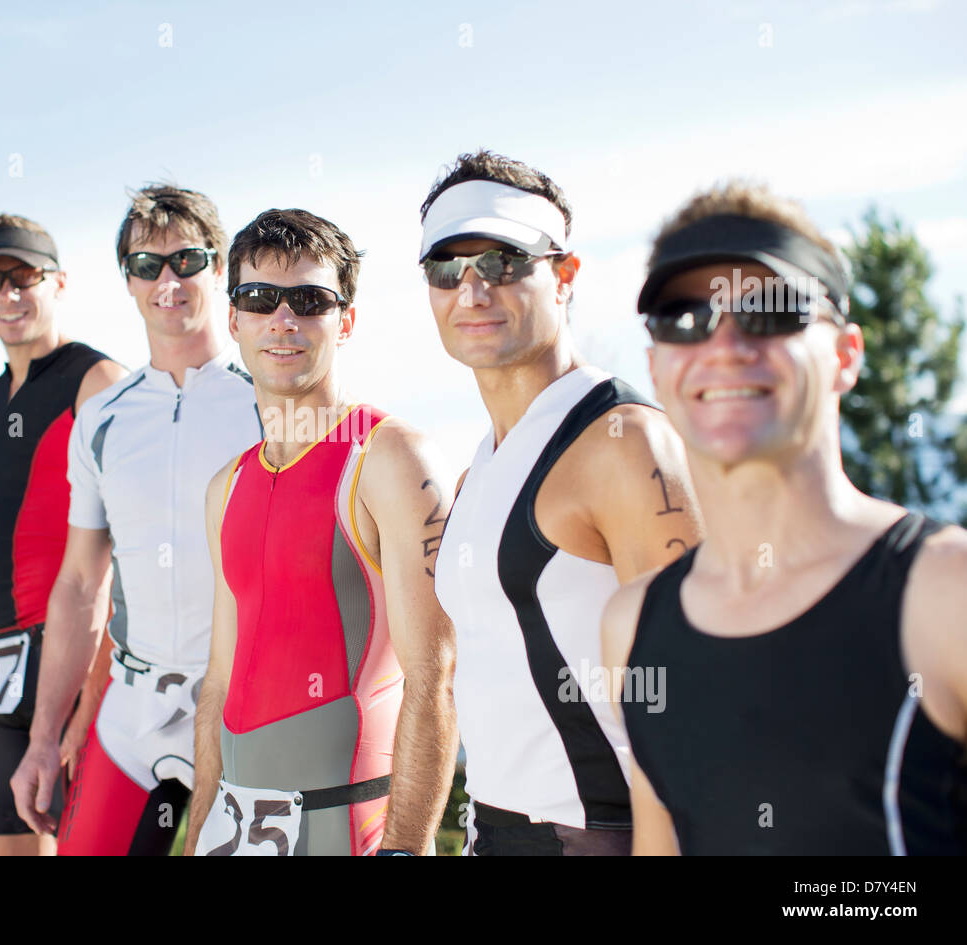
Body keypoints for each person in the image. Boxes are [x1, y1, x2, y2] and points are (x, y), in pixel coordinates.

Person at [602, 181, 967, 855]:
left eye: (772, 311)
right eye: (685, 317)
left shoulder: (945, 588)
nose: (727, 343)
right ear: (655, 368)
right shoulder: (632, 626)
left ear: (846, 354)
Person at [421, 151, 703, 856]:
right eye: (447, 268)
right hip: (493, 832)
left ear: (566, 274)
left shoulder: (624, 443)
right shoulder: (477, 468)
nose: (473, 290)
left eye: (504, 262)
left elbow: (702, 695)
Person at [183, 208, 458, 856]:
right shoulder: (225, 486)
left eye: (310, 300)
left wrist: (406, 847)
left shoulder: (389, 458)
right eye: (260, 299)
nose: (284, 320)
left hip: (347, 826)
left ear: (347, 319)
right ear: (234, 320)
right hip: (233, 824)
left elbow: (435, 676)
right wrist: (199, 831)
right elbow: (219, 681)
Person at [8, 185, 262, 855]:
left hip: (244, 708)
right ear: (128, 278)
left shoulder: (268, 405)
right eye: (147, 265)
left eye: (187, 259)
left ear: (220, 266)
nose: (168, 280)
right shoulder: (102, 418)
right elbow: (78, 586)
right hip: (133, 710)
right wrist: (42, 739)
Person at [0, 215, 127, 855]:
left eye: (26, 277)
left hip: (64, 656)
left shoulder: (97, 383)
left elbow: (129, 539)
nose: (10, 295)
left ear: (59, 283)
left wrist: (92, 684)